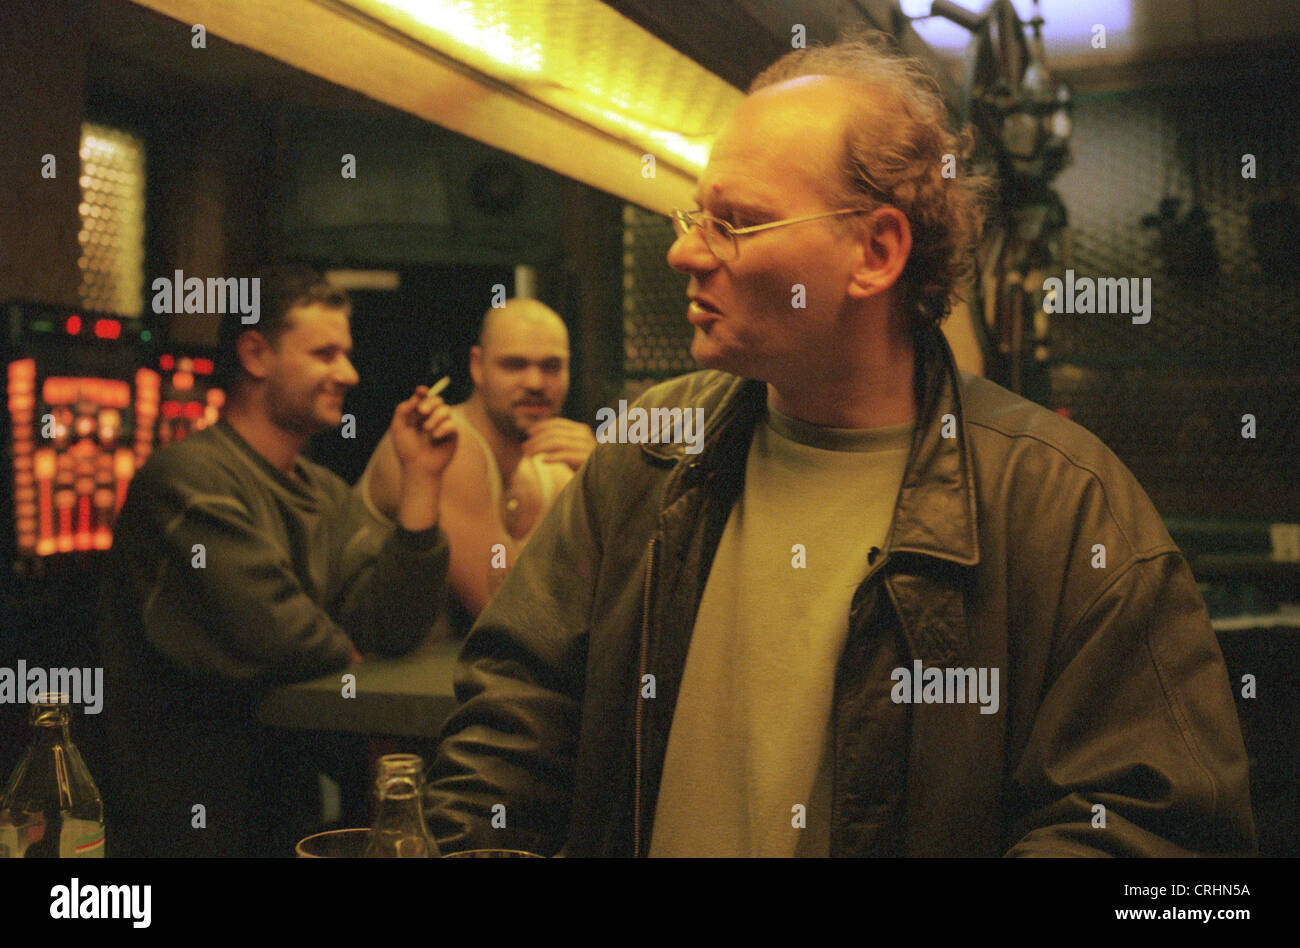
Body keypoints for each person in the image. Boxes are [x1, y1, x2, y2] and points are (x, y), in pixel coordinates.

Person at [424, 34, 1255, 857]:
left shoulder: (1061, 505)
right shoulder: (652, 446)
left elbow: (1159, 835)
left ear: (877, 250)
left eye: (735, 223)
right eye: (694, 216)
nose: (684, 251)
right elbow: (515, 717)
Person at [95, 266, 458, 857]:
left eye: (347, 354)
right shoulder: (188, 480)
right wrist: (341, 645)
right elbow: (271, 629)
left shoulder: (324, 490)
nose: (349, 373)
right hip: (181, 826)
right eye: (325, 353)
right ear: (256, 354)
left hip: (280, 818)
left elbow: (390, 626)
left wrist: (421, 479)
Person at [360, 298, 596, 630]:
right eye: (514, 365)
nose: (535, 383)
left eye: (551, 366)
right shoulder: (443, 443)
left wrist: (605, 480)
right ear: (477, 366)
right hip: (363, 676)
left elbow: (614, 594)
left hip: (445, 676)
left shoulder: (553, 466)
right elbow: (508, 614)